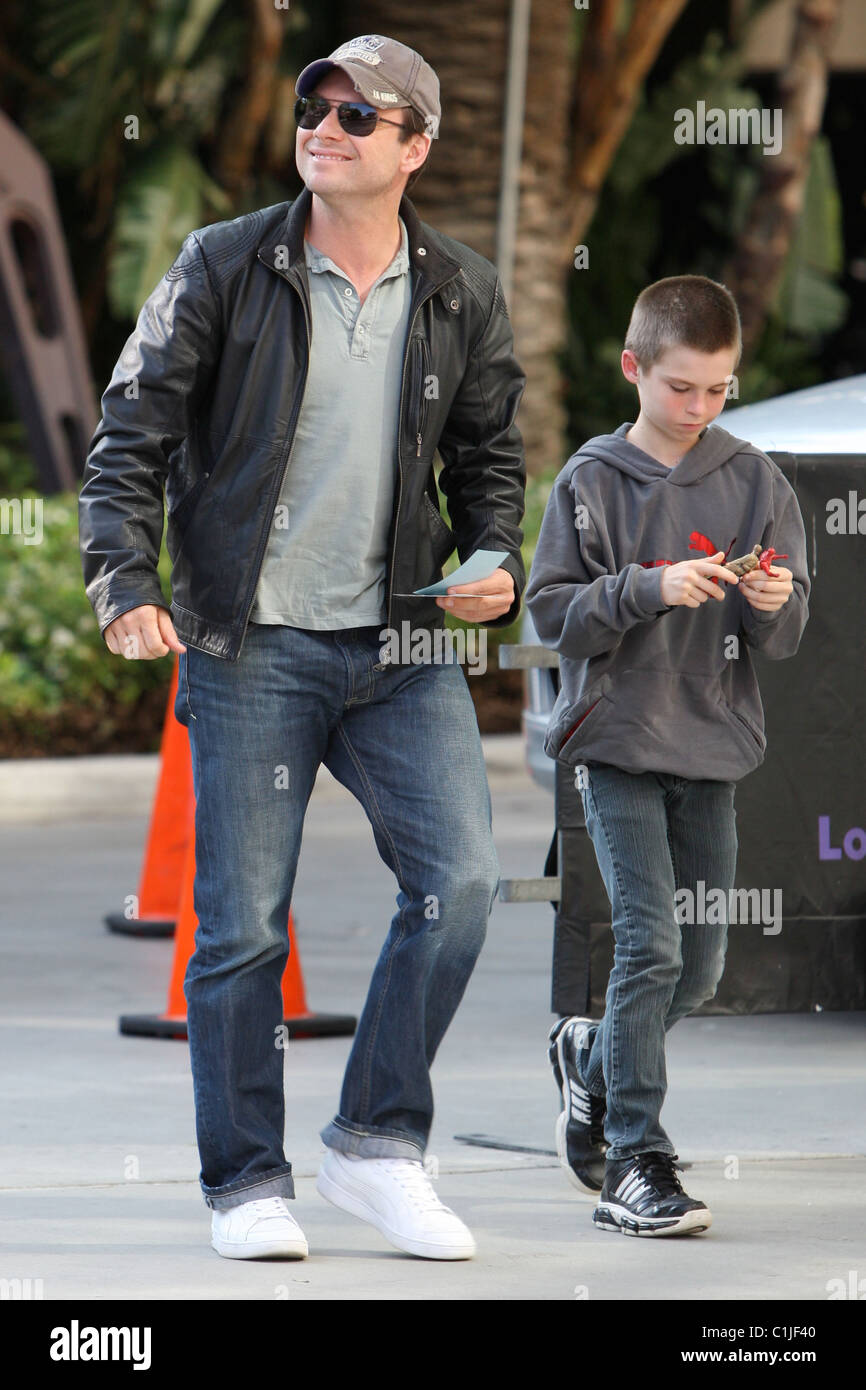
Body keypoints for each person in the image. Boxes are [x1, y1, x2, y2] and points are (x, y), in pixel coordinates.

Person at [78, 34, 526, 1262]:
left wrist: (495, 561)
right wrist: (125, 579)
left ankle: (376, 1144)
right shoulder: (223, 265)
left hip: (399, 644)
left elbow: (489, 468)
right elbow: (129, 438)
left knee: (461, 885)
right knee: (239, 927)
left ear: (414, 148)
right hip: (248, 643)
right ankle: (246, 1183)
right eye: (313, 105)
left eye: (358, 114)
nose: (324, 125)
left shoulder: (461, 290)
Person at [525, 275, 809, 1236]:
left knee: (701, 967)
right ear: (633, 368)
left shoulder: (754, 479)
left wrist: (773, 606)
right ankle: (634, 1161)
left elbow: (788, 625)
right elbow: (554, 615)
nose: (699, 408)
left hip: (710, 746)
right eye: (681, 387)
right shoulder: (592, 479)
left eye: (718, 390)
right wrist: (644, 588)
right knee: (649, 946)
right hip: (615, 743)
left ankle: (591, 1058)